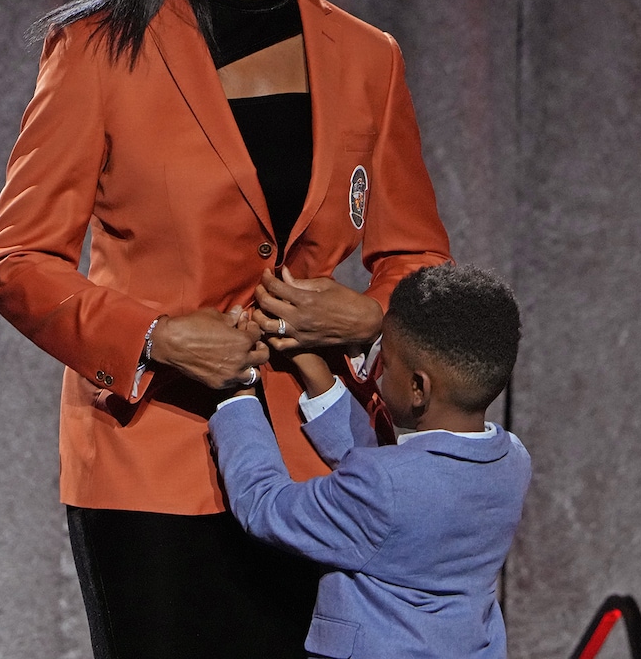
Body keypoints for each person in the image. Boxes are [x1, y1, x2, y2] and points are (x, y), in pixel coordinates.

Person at [0, 0, 451, 659]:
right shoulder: (97, 48)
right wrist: (156, 336)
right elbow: (17, 262)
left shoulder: (367, 57)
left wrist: (376, 313)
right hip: (152, 459)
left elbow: (417, 256)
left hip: (321, 464)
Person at [210, 264, 531, 659]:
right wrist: (316, 371)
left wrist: (237, 394)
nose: (376, 374)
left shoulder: (384, 486)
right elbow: (400, 474)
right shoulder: (513, 459)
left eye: (386, 362)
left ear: (418, 387)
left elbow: (265, 507)